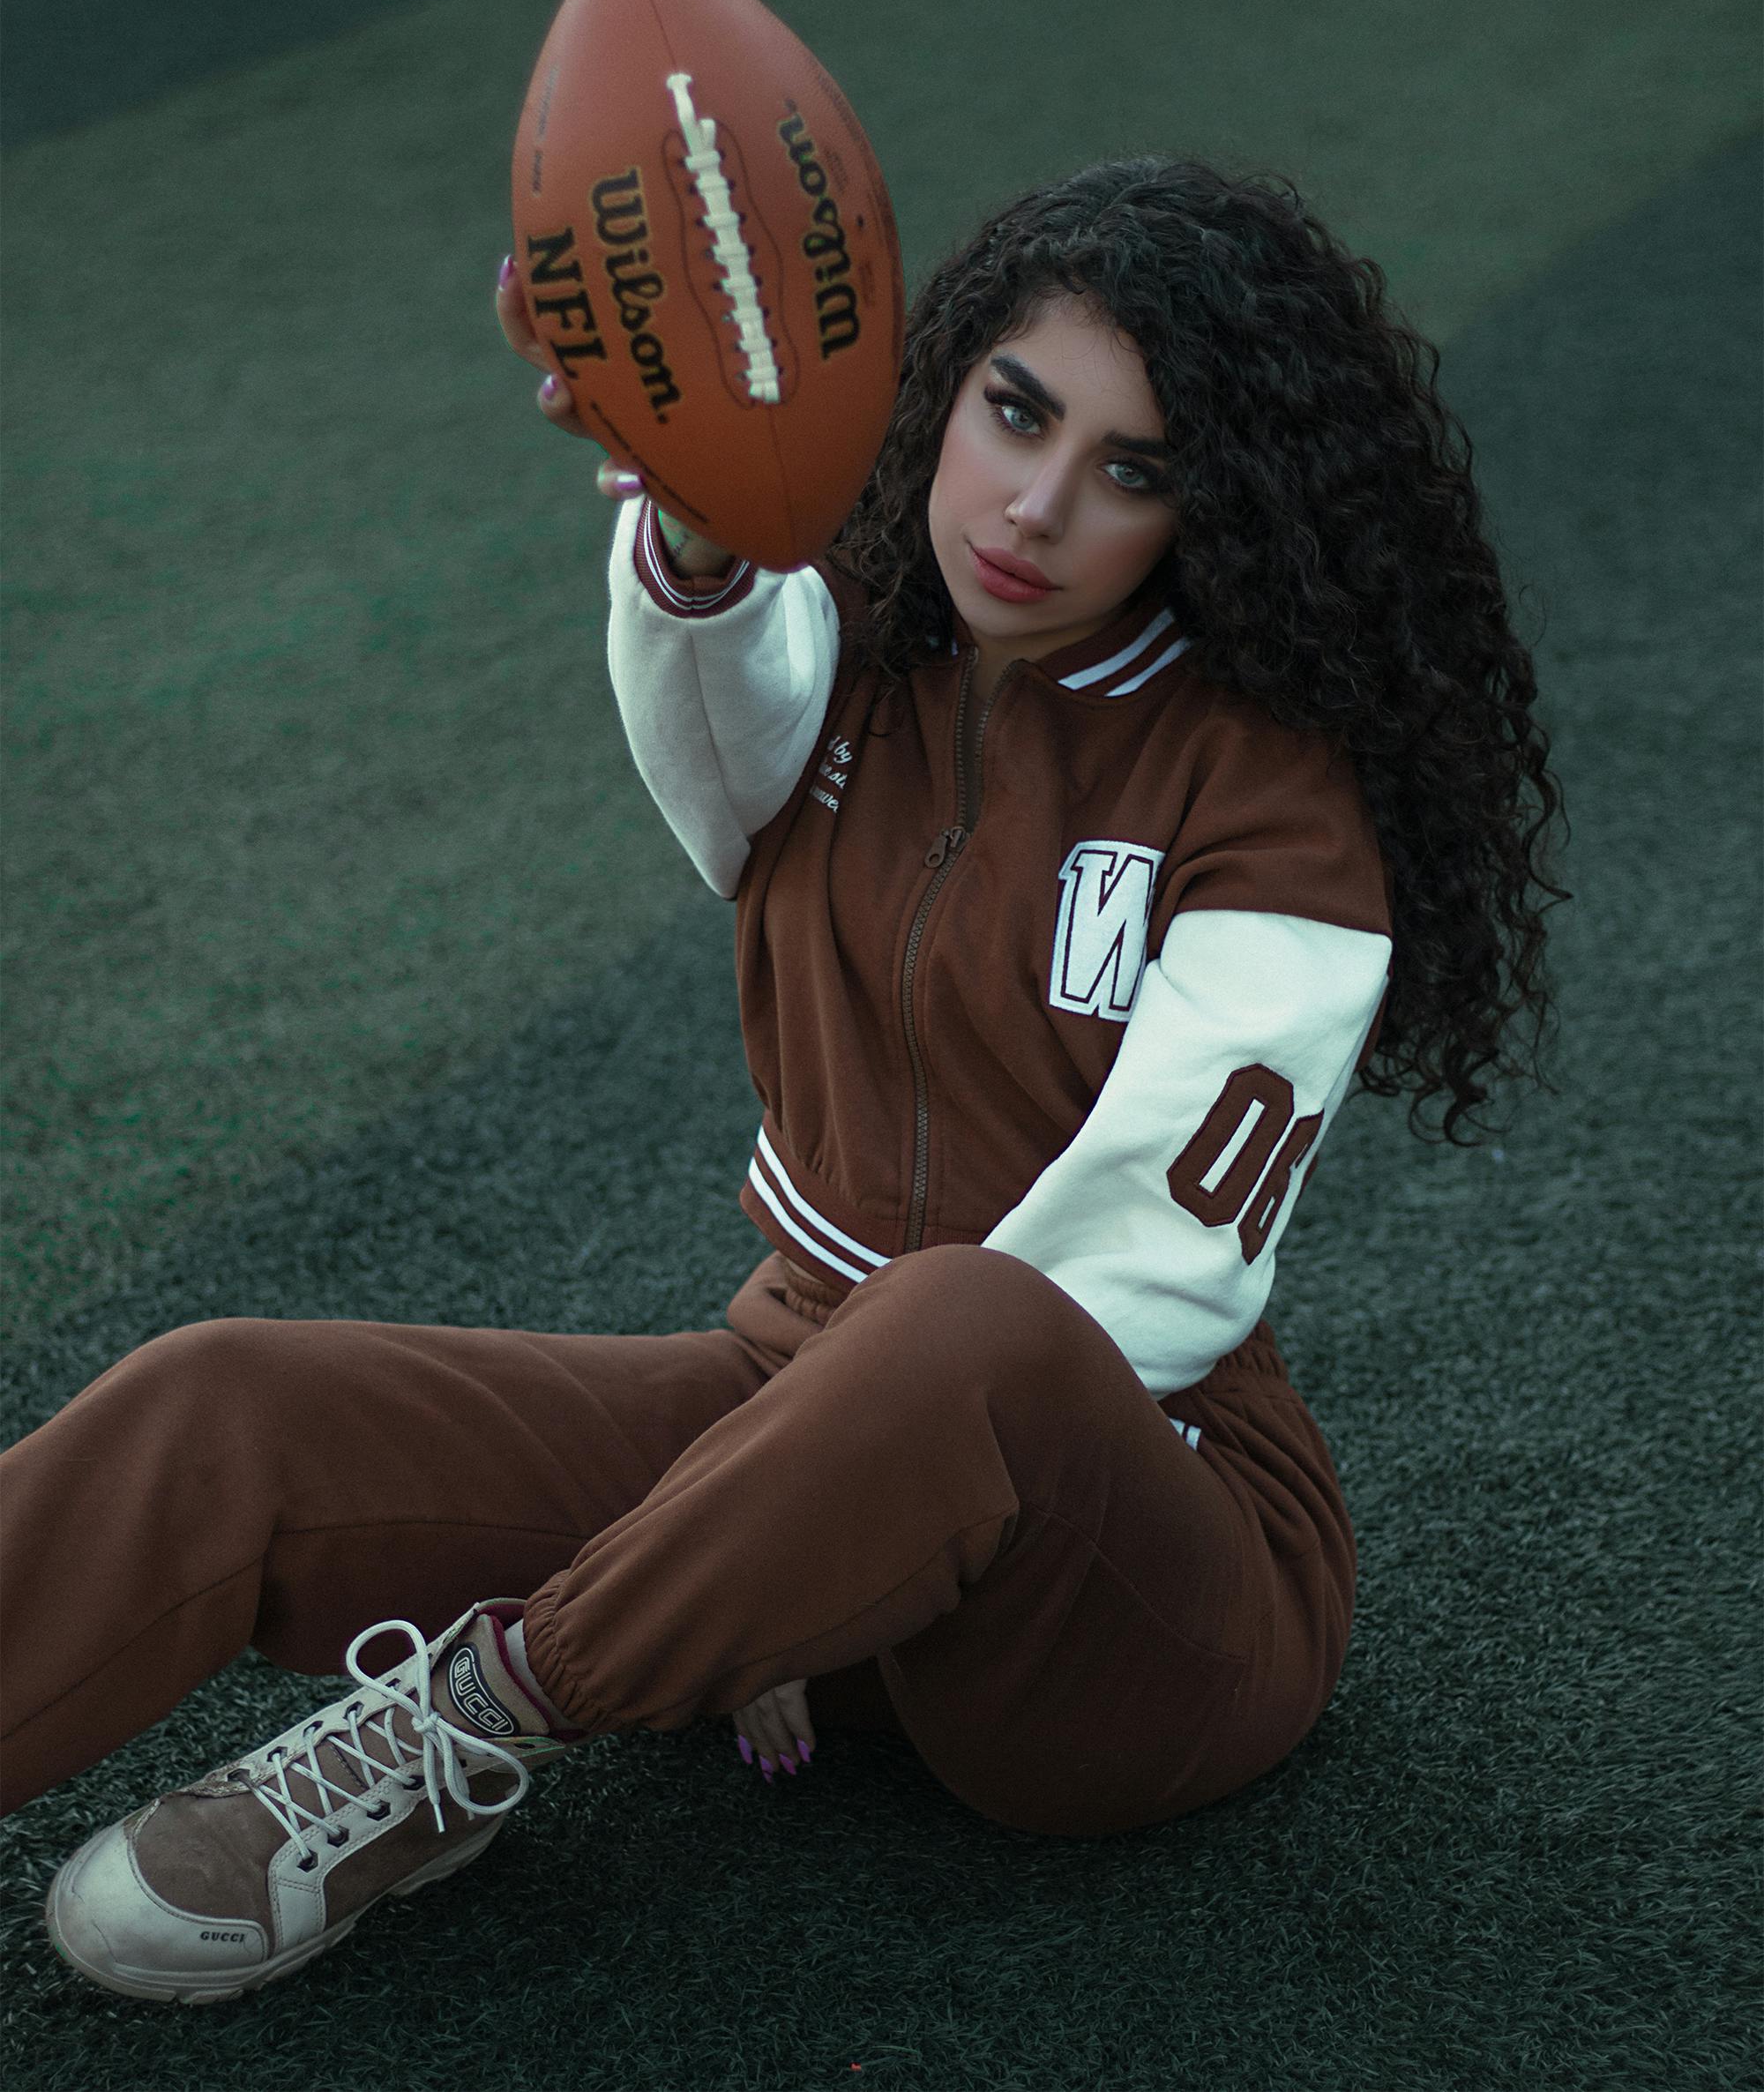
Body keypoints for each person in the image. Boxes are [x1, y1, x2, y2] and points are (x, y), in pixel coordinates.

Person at [1, 154, 1567, 2005]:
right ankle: (702, 1599)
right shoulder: (866, 647)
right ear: (946, 388)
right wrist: (697, 517)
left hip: (1137, 1570)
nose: (1039, 504)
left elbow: (1146, 1273)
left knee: (954, 1323)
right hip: (788, 1391)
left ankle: (461, 1727)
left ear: (1211, 513)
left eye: (1132, 469)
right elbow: (722, 709)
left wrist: (797, 1517)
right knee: (228, 1399)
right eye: (1017, 411)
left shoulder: (1275, 809)